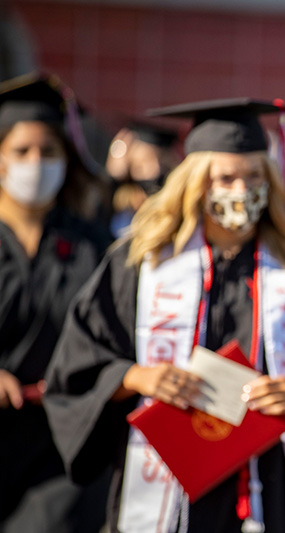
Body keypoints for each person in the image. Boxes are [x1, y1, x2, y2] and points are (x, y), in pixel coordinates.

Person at [43, 98, 285, 533]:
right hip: (166, 475)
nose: (241, 190)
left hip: (269, 483)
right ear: (195, 184)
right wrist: (136, 377)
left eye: (254, 176)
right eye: (225, 178)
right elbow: (78, 363)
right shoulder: (139, 267)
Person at [0, 73, 112, 532]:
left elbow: (111, 336)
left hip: (60, 444)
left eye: (48, 151)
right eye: (21, 151)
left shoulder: (92, 246)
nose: (36, 163)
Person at [105, 120, 180, 237]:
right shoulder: (117, 207)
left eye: (161, 162)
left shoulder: (176, 201)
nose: (155, 170)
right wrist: (114, 176)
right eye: (145, 162)